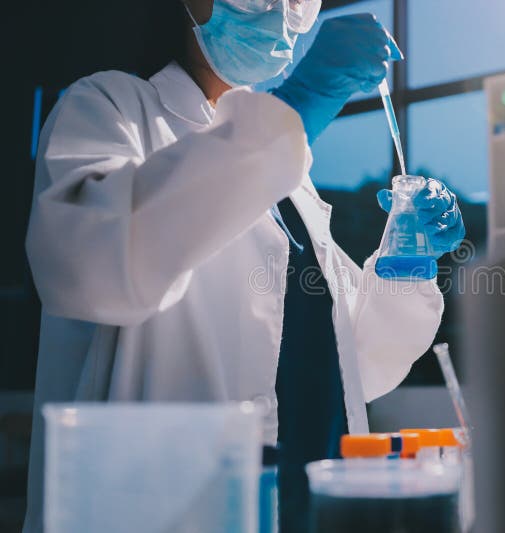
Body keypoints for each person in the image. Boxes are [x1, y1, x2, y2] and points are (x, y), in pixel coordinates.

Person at [22, 0, 466, 531]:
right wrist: (296, 110)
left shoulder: (292, 182)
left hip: (310, 509)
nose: (282, 12)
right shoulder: (108, 108)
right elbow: (93, 268)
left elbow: (356, 366)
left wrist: (406, 261)